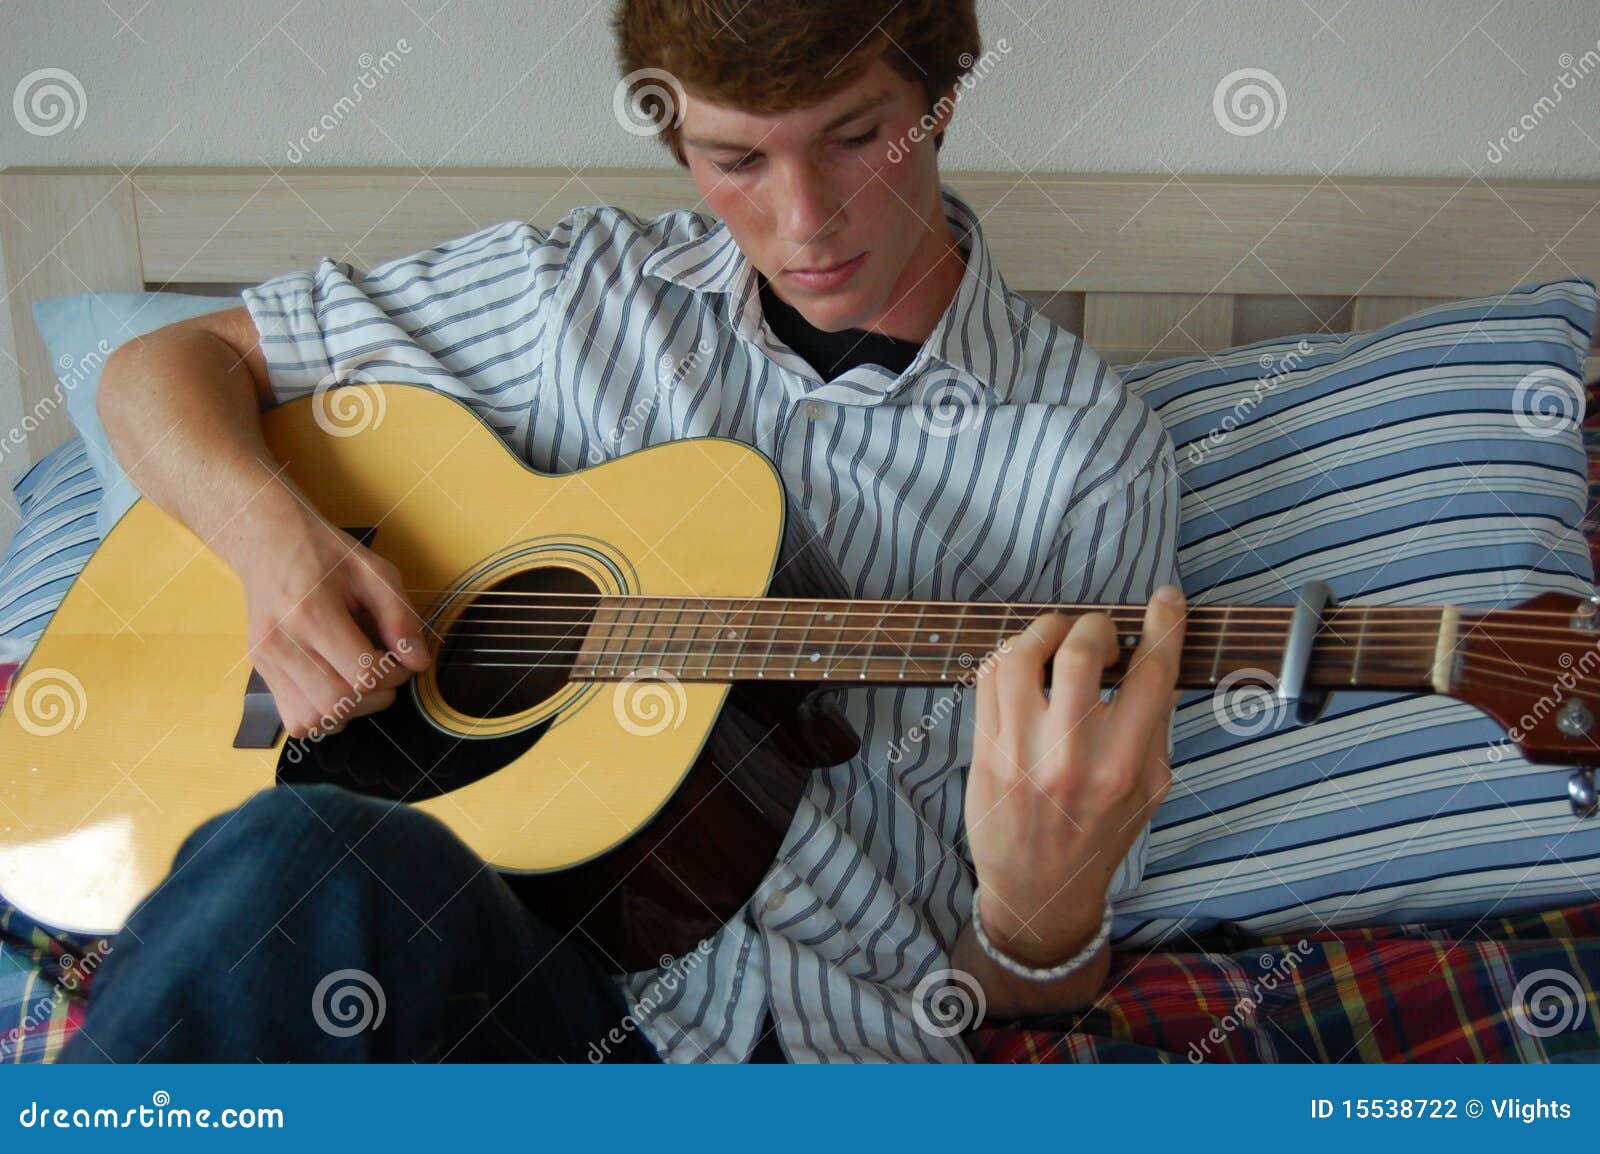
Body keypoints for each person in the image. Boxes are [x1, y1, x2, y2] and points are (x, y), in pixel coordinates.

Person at [61, 0, 1186, 1064]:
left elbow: (1018, 991)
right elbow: (156, 371)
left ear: (938, 100)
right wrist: (277, 548)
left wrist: (1044, 918)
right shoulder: (571, 295)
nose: (805, 219)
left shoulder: (1086, 457)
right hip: (469, 983)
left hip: (806, 1053)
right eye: (737, 160)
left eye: (855, 138)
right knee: (300, 853)